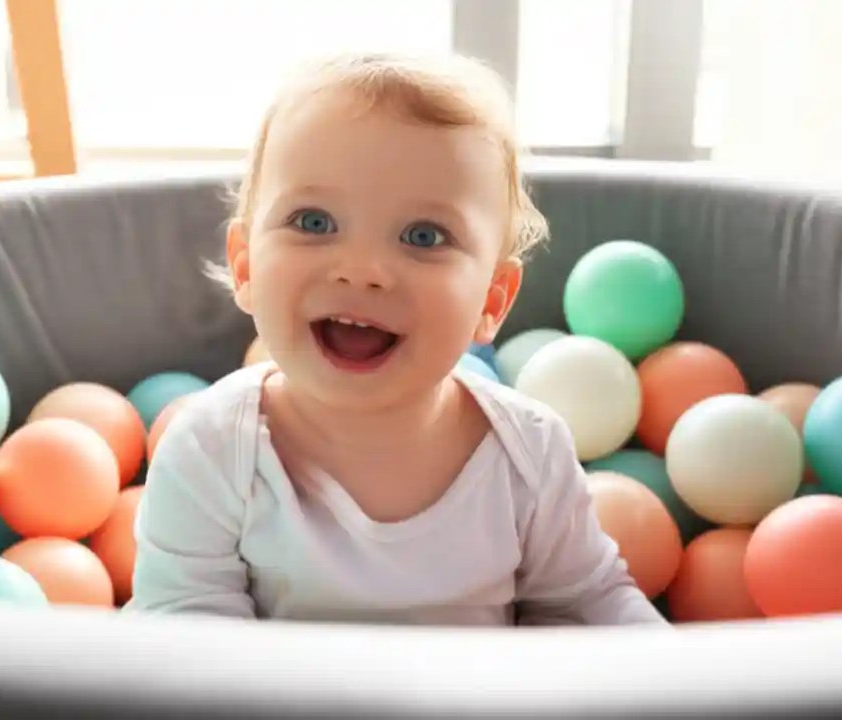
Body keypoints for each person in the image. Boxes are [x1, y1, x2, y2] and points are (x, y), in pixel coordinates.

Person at [124, 52, 666, 626]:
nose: (363, 270)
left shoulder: (529, 456)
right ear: (246, 267)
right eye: (314, 223)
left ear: (491, 301)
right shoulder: (212, 451)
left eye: (424, 236)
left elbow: (589, 607)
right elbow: (186, 647)